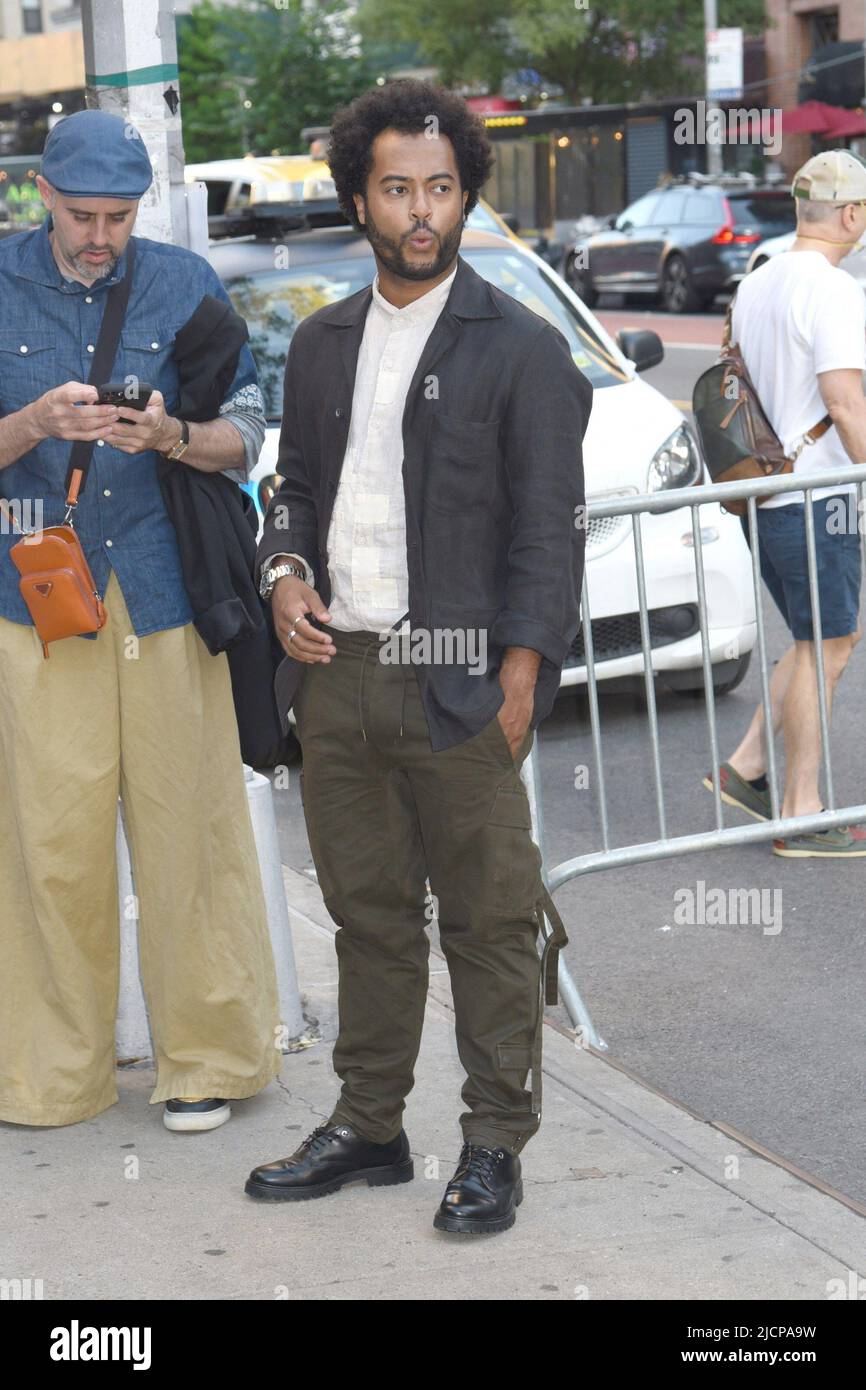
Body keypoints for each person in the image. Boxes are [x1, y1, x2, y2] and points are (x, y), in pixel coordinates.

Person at [245, 79, 592, 1234]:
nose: (420, 210)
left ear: (464, 198)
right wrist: (283, 574)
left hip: (460, 681)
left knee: (490, 921)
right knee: (369, 917)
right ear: (360, 198)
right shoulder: (318, 341)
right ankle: (370, 1125)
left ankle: (493, 1140)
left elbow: (548, 530)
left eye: (440, 188)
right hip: (336, 676)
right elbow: (292, 489)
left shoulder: (524, 350)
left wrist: (521, 674)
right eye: (397, 188)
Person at [0, 109, 282, 1130]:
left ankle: (209, 1058)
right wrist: (33, 424)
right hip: (33, 602)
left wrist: (173, 433)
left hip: (164, 593)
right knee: (46, 841)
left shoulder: (185, 286)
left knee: (189, 827)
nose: (100, 236)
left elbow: (246, 434)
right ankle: (46, 1074)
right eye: (82, 214)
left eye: (119, 216)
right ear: (43, 196)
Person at [705, 149, 866, 858]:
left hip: (766, 493)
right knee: (828, 647)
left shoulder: (759, 283)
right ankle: (801, 812)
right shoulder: (835, 291)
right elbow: (845, 401)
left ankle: (745, 768)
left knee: (816, 642)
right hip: (815, 497)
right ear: (852, 215)